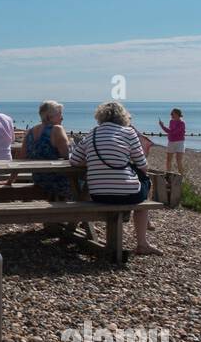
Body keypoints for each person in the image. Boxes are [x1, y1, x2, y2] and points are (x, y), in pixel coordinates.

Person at [70, 100, 162, 256]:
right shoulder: (129, 133)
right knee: (145, 181)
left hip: (98, 194)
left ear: (100, 117)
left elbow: (73, 160)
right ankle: (142, 243)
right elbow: (142, 165)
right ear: (123, 117)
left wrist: (93, 160)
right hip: (128, 195)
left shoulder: (92, 133)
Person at [19, 100, 72, 199]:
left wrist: (10, 181)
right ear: (49, 116)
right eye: (60, 114)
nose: (62, 118)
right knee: (86, 182)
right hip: (57, 182)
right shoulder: (57, 129)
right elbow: (67, 157)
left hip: (39, 180)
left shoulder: (30, 132)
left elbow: (20, 159)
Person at [158, 108, 186, 177]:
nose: (171, 115)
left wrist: (163, 126)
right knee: (168, 160)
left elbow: (172, 132)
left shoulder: (182, 123)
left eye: (172, 114)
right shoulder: (171, 121)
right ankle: (168, 175)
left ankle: (181, 177)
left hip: (180, 142)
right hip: (171, 142)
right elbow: (170, 132)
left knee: (178, 161)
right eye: (171, 114)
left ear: (177, 114)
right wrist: (162, 126)